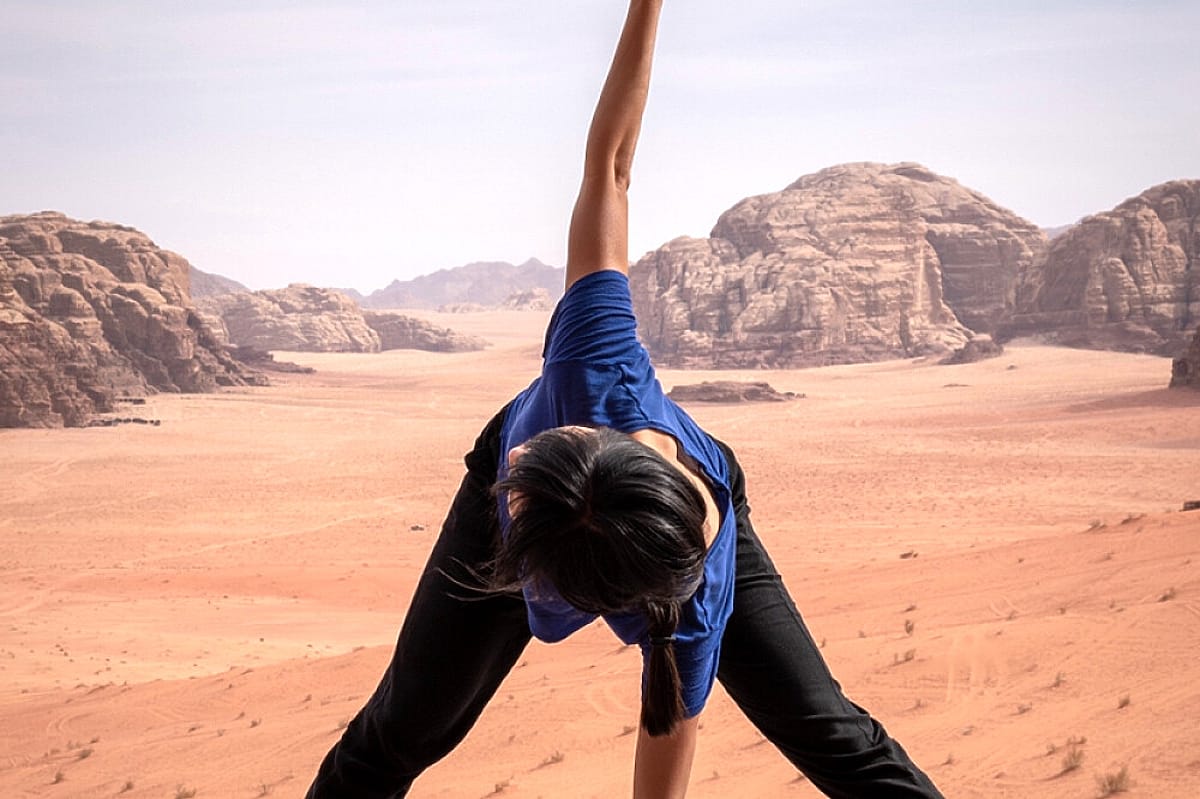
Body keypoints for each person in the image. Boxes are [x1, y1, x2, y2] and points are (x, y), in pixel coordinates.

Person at [306, 2, 943, 797]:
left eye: (526, 465)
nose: (524, 448)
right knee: (399, 730)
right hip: (587, 533)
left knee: (825, 727)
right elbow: (610, 162)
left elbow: (663, 743)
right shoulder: (592, 362)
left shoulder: (689, 602)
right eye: (539, 457)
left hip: (647, 553)